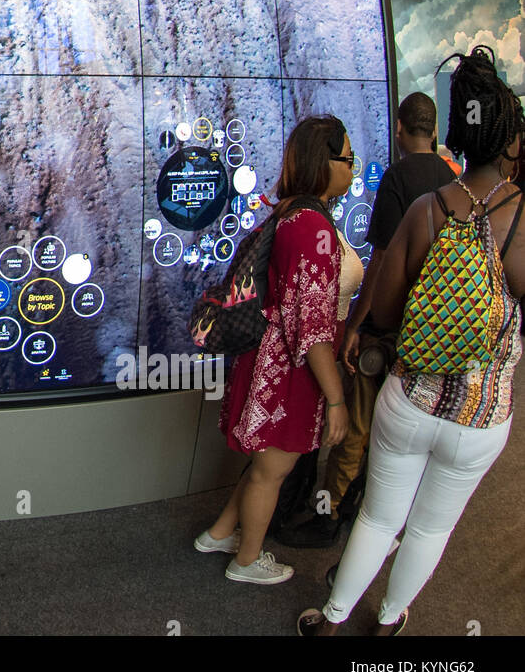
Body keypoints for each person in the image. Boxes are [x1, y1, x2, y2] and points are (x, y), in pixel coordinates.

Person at [299, 48, 524, 636]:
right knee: (430, 528)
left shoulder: (427, 210)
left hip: (412, 398)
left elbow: (390, 309)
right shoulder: (523, 220)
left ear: (459, 138)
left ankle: (330, 618)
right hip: (482, 415)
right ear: (511, 144)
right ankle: (390, 618)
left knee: (378, 514)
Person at [281, 93, 454, 548]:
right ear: (433, 130)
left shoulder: (397, 178)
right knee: (402, 432)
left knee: (354, 427)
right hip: (431, 331)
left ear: (399, 129)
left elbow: (379, 262)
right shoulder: (453, 180)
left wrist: (356, 324)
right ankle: (379, 516)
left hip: (386, 327)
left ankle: (331, 513)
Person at [195, 115, 359, 584]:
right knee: (272, 471)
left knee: (264, 462)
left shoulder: (292, 213)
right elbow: (310, 329)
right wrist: (335, 399)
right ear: (323, 163)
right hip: (287, 372)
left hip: (266, 361)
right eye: (347, 159)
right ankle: (246, 561)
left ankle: (221, 532)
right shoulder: (313, 227)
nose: (352, 169)